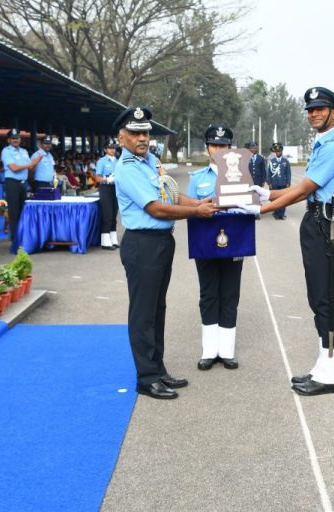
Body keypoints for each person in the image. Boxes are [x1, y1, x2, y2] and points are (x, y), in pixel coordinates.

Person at [241, 86, 334, 396]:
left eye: (321, 108)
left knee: (326, 295)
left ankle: (332, 374)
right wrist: (267, 192)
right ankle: (324, 366)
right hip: (317, 220)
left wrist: (261, 207)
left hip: (325, 224)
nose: (314, 113)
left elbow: (304, 190)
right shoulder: (323, 143)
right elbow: (303, 188)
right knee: (319, 294)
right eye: (310, 109)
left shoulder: (333, 146)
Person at [114, 106, 218, 400]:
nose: (142, 138)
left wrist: (199, 201)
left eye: (145, 132)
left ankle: (157, 369)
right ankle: (146, 378)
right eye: (135, 133)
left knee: (157, 309)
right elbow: (156, 208)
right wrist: (197, 211)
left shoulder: (149, 162)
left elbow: (170, 195)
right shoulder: (128, 169)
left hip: (160, 242)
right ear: (122, 137)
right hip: (143, 244)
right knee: (143, 312)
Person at [187, 124, 249, 371]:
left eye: (224, 146)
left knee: (230, 294)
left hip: (234, 240)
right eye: (215, 145)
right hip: (205, 242)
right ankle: (209, 350)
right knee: (208, 294)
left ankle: (227, 350)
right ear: (208, 148)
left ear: (230, 149)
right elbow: (192, 209)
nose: (219, 150)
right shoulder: (197, 179)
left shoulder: (243, 175)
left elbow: (249, 208)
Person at [1, 128, 42, 245]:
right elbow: (14, 168)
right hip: (12, 183)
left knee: (23, 210)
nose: (16, 140)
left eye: (17, 138)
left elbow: (30, 167)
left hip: (23, 183)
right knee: (14, 211)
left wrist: (35, 164)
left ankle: (23, 235)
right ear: (9, 140)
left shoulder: (24, 151)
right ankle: (15, 238)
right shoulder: (6, 151)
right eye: (13, 138)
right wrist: (31, 164)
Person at [95, 138, 119, 250]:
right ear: (105, 150)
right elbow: (97, 178)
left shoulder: (118, 161)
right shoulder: (102, 161)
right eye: (110, 148)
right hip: (105, 188)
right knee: (107, 214)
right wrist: (107, 179)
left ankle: (113, 239)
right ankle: (105, 240)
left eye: (113, 148)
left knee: (114, 214)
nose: (112, 150)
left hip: (116, 188)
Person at [266, 142, 292, 217]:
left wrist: (288, 182)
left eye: (279, 151)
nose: (278, 153)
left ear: (281, 151)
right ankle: (276, 213)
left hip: (283, 183)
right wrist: (269, 182)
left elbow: (288, 173)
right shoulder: (272, 161)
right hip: (274, 183)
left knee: (283, 199)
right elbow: (269, 173)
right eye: (276, 151)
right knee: (275, 200)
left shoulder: (285, 161)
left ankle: (281, 214)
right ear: (275, 152)